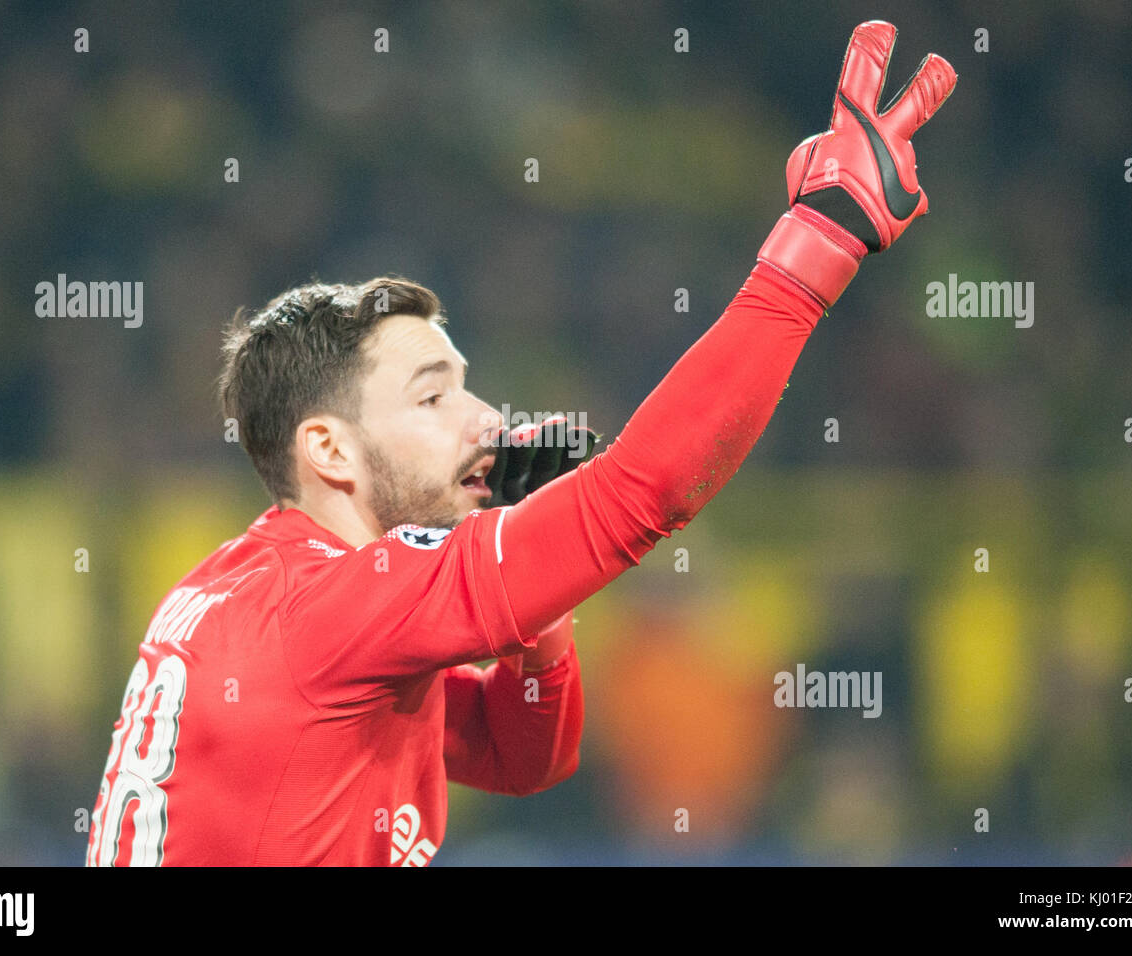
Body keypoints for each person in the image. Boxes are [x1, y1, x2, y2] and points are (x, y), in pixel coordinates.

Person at [85, 20, 955, 866]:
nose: (488, 421)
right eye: (433, 396)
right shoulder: (339, 606)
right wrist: (820, 244)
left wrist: (530, 602)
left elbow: (523, 758)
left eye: (467, 384)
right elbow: (643, 494)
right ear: (331, 452)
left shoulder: (252, 587)